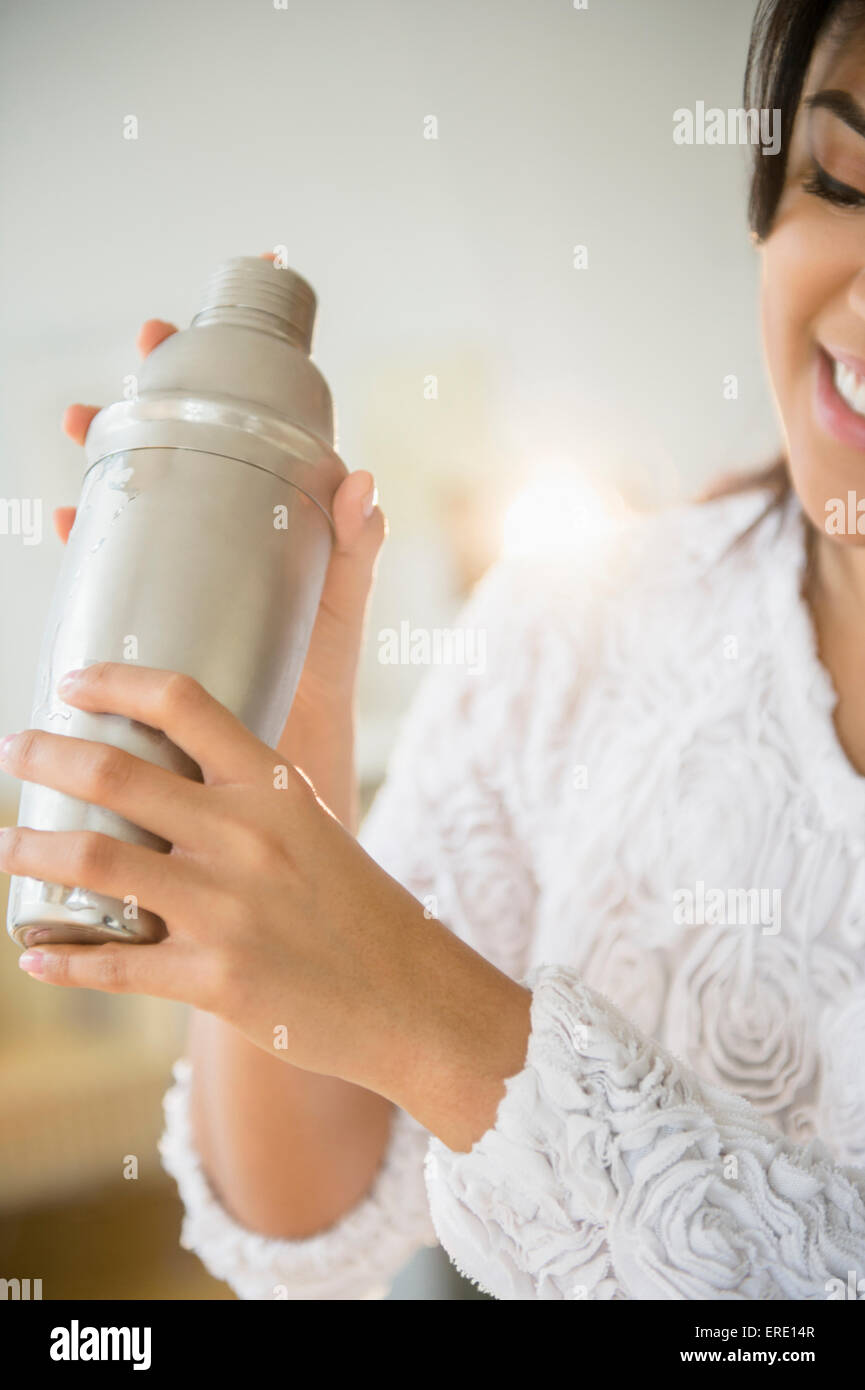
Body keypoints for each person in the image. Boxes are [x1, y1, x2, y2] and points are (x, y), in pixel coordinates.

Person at [3, 0, 865, 1299]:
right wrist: (293, 751)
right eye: (838, 181)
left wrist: (438, 1020)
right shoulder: (574, 623)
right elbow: (306, 1216)